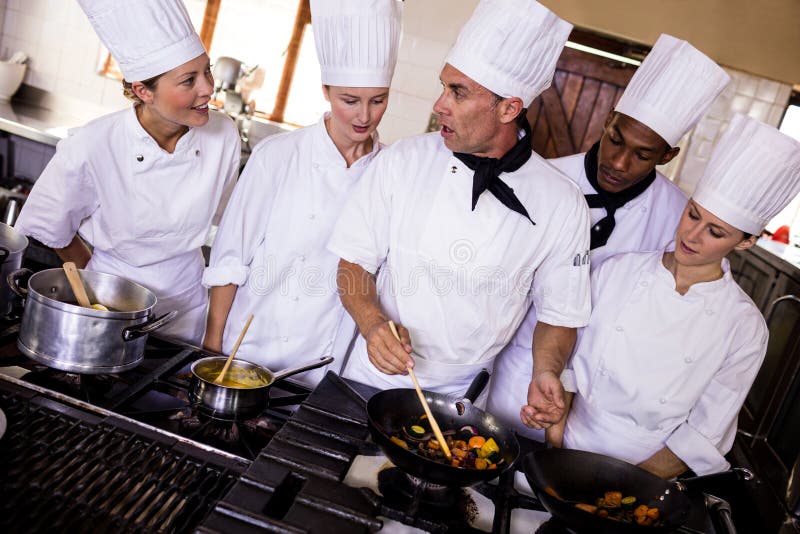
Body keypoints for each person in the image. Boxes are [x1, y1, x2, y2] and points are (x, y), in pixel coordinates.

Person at [328, 0, 591, 397]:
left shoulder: (562, 202)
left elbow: (560, 313)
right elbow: (353, 264)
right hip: (372, 376)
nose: (439, 105)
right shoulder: (404, 160)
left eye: (458, 92)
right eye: (443, 86)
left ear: (508, 108)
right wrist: (372, 323)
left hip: (462, 395)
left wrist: (547, 372)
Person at [493, 34, 731, 437]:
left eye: (642, 154)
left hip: (598, 407)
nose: (619, 162)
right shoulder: (541, 179)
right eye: (616, 140)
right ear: (607, 122)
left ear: (667, 157)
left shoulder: (681, 220)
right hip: (511, 370)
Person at [549, 114, 800, 478]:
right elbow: (569, 367)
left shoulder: (745, 327)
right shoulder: (616, 271)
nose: (693, 235)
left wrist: (624, 491)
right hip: (567, 445)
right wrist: (554, 445)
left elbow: (702, 434)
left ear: (746, 241)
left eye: (715, 232)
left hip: (646, 477)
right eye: (692, 214)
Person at [201, 0, 403, 387]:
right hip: (245, 352)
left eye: (378, 100)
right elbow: (230, 257)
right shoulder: (278, 155)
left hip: (322, 366)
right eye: (350, 100)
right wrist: (211, 346)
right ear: (326, 90)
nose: (365, 116)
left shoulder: (392, 171)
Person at [14, 0, 240, 344]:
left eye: (206, 71)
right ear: (143, 91)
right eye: (188, 80)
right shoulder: (93, 143)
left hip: (186, 310)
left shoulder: (223, 135)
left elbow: (228, 223)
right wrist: (96, 283)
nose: (208, 88)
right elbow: (49, 226)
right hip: (109, 309)